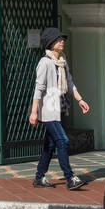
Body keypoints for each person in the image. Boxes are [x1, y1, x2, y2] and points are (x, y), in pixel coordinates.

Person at [29, 27, 89, 190]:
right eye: (58, 39)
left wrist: (80, 99)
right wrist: (34, 111)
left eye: (62, 39)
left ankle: (39, 178)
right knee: (62, 140)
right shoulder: (45, 63)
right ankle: (70, 178)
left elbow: (69, 82)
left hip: (59, 108)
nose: (62, 41)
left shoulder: (62, 61)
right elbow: (39, 88)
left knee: (49, 145)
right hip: (48, 110)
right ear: (50, 43)